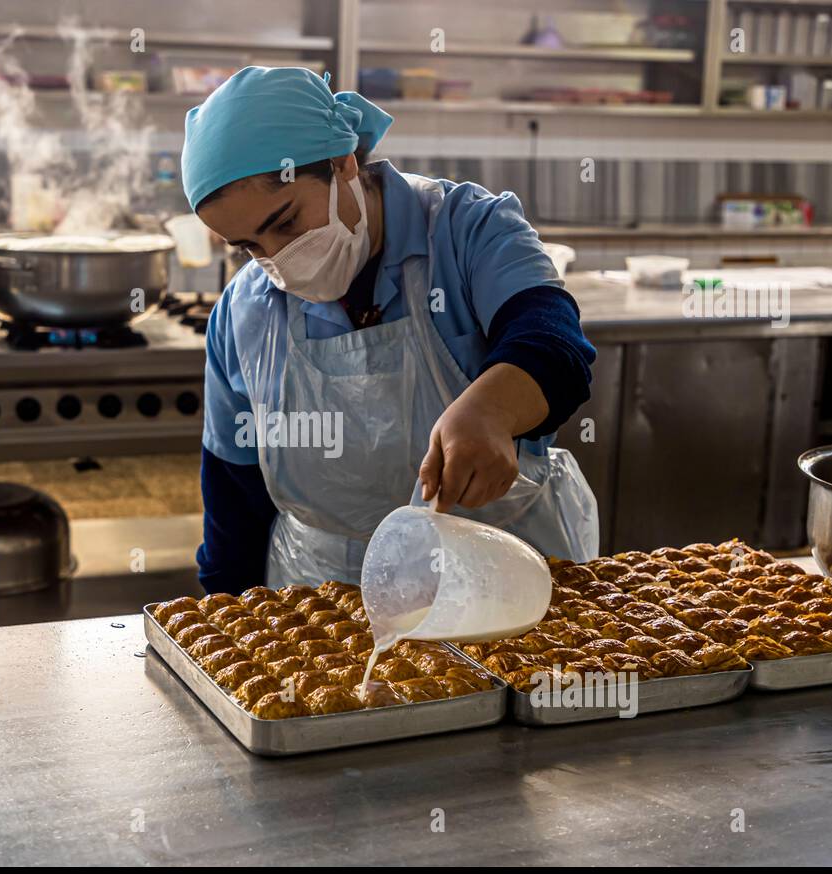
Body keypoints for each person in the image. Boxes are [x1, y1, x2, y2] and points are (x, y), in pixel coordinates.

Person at [182, 66, 598, 593]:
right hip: (324, 599)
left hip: (500, 581)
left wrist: (491, 410)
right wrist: (226, 618)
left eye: (286, 223)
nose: (276, 258)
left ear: (342, 163)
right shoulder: (245, 314)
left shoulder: (467, 230)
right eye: (248, 246)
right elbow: (234, 496)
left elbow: (554, 343)